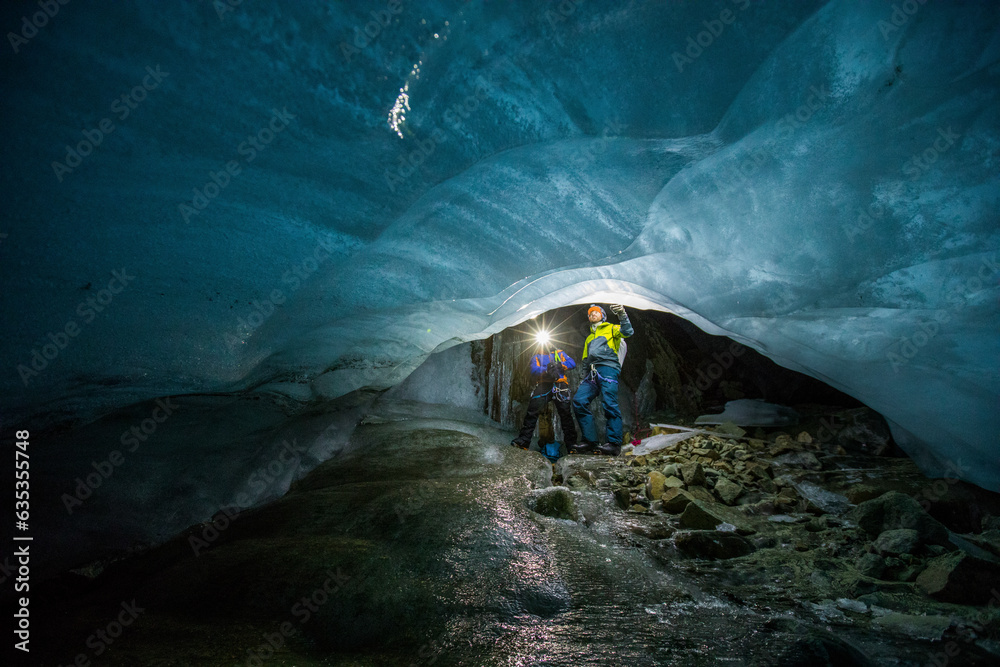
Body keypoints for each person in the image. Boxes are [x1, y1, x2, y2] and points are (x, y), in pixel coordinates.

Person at [572, 304, 633, 455]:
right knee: (579, 400)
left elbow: (628, 332)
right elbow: (585, 360)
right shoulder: (589, 338)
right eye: (590, 313)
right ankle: (590, 441)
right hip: (592, 373)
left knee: (609, 403)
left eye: (596, 312)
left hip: (608, 368)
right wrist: (583, 378)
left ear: (603, 316)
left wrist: (622, 314)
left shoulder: (611, 328)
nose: (592, 314)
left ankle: (614, 444)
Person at [511, 344, 578, 453]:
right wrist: (547, 370)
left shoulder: (559, 353)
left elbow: (572, 363)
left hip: (560, 384)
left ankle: (572, 446)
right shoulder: (537, 356)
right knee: (532, 411)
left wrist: (560, 365)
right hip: (544, 384)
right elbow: (534, 369)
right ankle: (523, 441)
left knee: (566, 414)